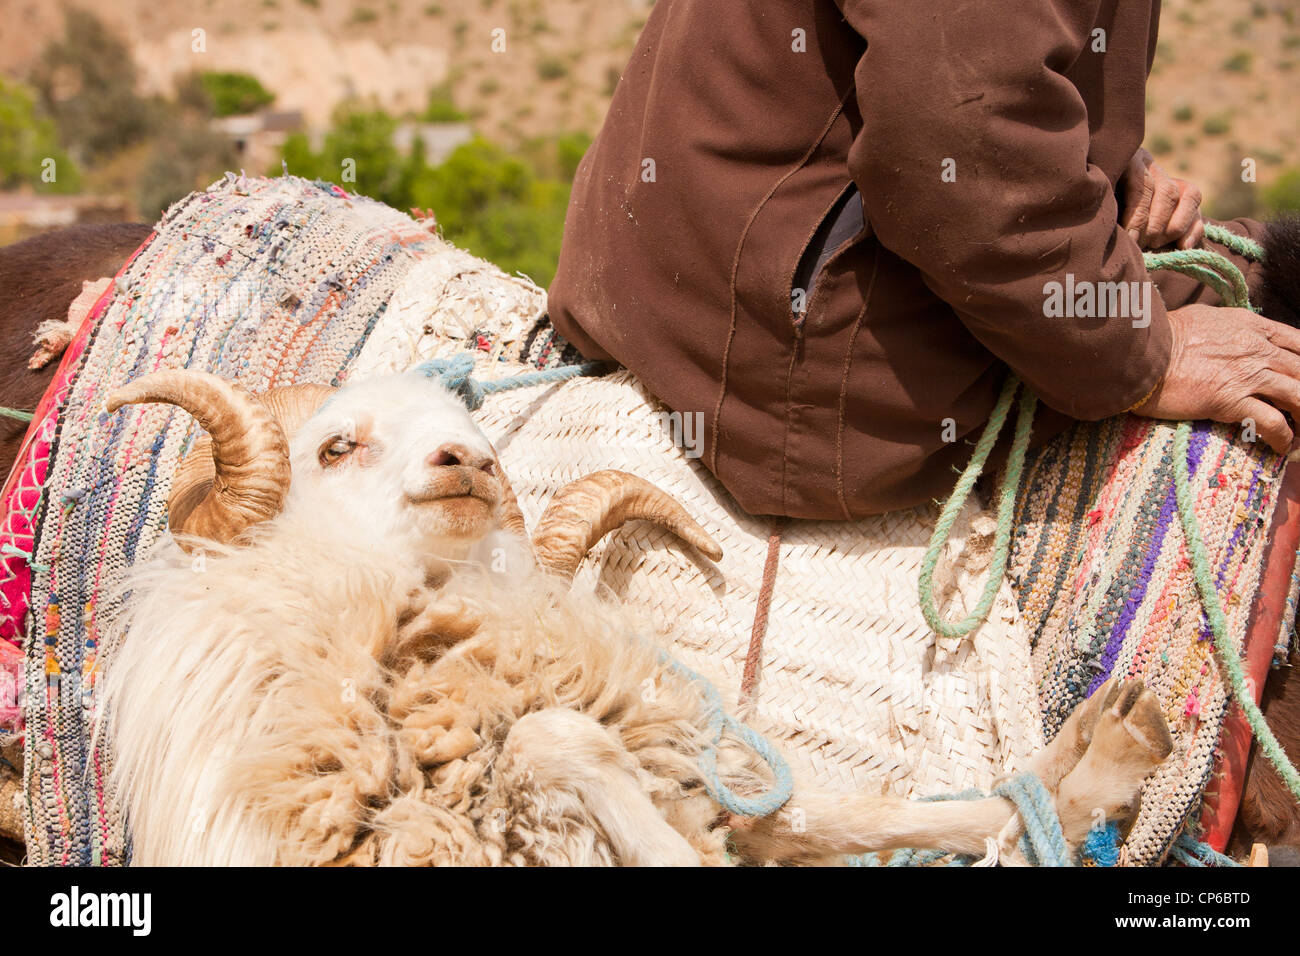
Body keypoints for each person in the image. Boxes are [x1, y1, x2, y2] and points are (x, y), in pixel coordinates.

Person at [546, 0, 1295, 521]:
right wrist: (1145, 356)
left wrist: (1099, 150)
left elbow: (969, 63)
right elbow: (956, 142)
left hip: (713, 250)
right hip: (794, 361)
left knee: (1264, 265)